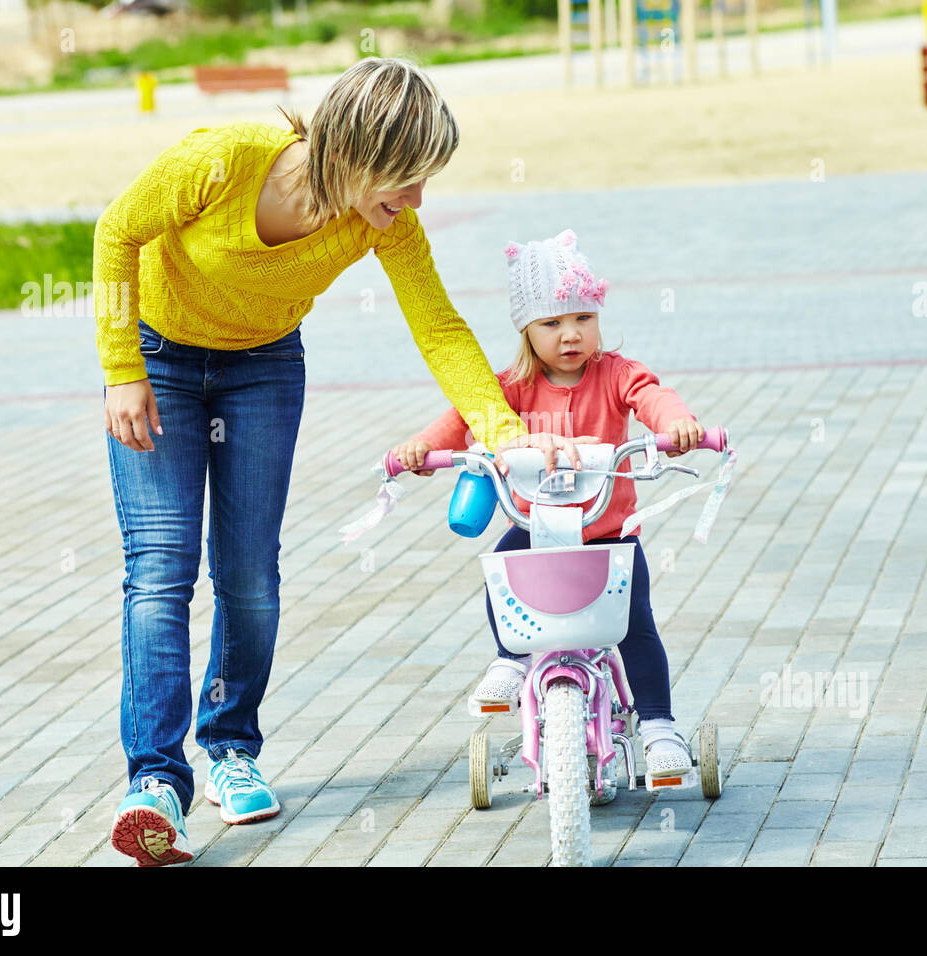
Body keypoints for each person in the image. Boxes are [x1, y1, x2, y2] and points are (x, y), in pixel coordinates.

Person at [96, 57, 590, 867]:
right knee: (159, 571)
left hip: (261, 369)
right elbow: (118, 230)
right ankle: (155, 786)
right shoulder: (223, 159)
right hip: (158, 359)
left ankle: (229, 749)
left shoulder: (381, 220)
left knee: (249, 573)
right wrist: (122, 368)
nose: (418, 199)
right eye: (407, 177)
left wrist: (502, 432)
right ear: (356, 152)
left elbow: (438, 327)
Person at [391, 229, 706, 781]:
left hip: (609, 532)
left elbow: (652, 396)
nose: (570, 335)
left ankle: (658, 726)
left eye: (583, 318)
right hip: (535, 531)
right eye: (552, 323)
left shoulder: (616, 374)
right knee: (502, 570)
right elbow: (466, 417)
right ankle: (511, 660)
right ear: (525, 330)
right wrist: (424, 447)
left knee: (636, 626)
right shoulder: (511, 385)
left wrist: (675, 423)